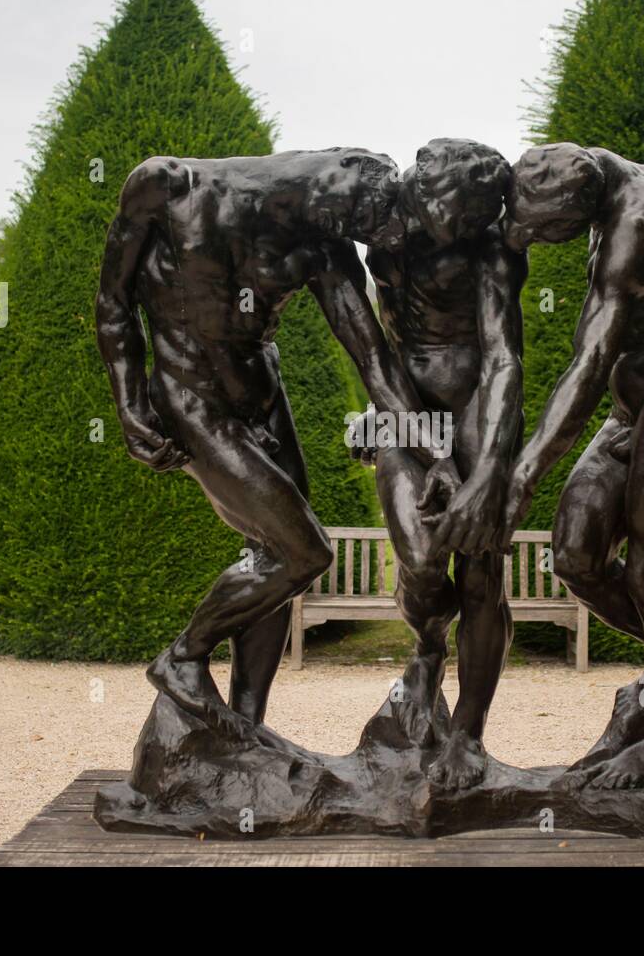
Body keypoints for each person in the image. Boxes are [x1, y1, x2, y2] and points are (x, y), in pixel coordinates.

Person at [95, 148, 432, 740]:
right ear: (330, 183)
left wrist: (433, 451)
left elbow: (372, 358)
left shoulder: (324, 239)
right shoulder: (166, 187)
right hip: (190, 397)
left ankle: (247, 727)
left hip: (263, 395)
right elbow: (113, 303)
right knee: (303, 552)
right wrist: (129, 404)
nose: (348, 242)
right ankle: (183, 656)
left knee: (276, 557)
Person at [494, 143, 644, 789]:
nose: (545, 245)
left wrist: (521, 474)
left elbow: (589, 364)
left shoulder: (637, 221)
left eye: (547, 235)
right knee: (576, 552)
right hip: (632, 413)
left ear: (571, 211)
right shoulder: (612, 191)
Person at [363, 139, 527, 788]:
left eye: (474, 217)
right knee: (422, 555)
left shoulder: (489, 248)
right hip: (409, 411)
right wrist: (391, 421)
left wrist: (489, 468)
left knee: (482, 568)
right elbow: (378, 344)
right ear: (426, 191)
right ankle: (428, 647)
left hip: (478, 409)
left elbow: (504, 356)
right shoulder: (382, 235)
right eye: (457, 214)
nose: (464, 228)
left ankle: (469, 731)